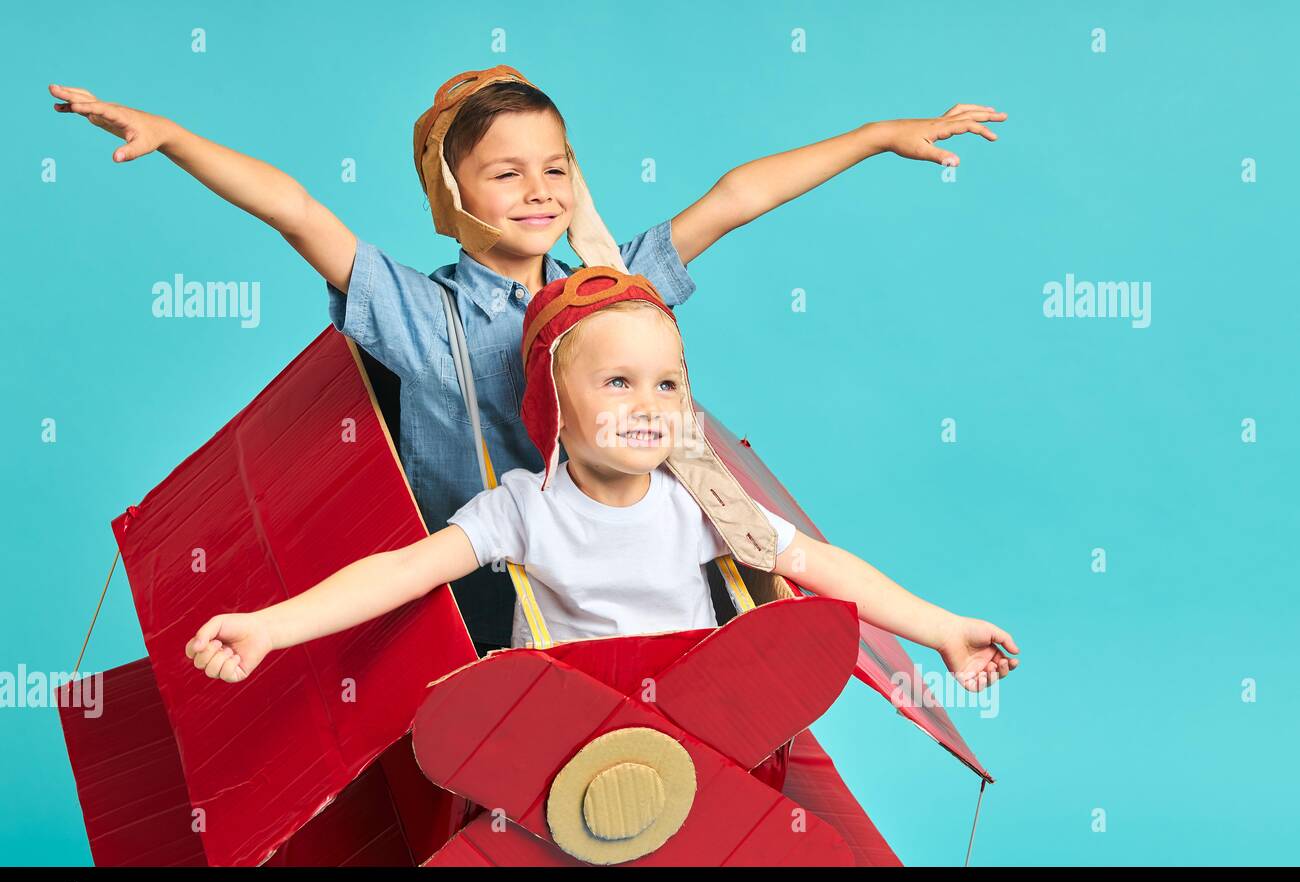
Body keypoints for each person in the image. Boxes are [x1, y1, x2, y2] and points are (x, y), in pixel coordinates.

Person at [51, 65, 1006, 651]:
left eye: (556, 168)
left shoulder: (608, 281)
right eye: (505, 172)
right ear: (452, 189)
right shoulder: (421, 314)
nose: (538, 190)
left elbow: (735, 197)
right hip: (473, 582)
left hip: (631, 577)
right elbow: (298, 210)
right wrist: (173, 138)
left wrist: (879, 137)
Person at [185, 267, 1020, 692]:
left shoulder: (705, 498)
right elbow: (400, 570)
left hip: (691, 713)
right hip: (562, 727)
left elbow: (825, 568)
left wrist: (940, 629)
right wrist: (271, 627)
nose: (648, 404)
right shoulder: (523, 508)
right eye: (616, 383)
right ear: (551, 404)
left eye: (667, 384)